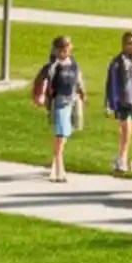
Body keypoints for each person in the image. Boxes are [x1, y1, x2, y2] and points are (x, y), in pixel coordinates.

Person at [36, 35, 85, 183]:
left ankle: (56, 165)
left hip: (72, 102)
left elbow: (78, 80)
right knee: (60, 136)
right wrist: (42, 96)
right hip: (60, 103)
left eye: (68, 48)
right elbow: (45, 81)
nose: (65, 51)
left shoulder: (73, 64)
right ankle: (58, 169)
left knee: (65, 136)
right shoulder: (53, 66)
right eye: (62, 49)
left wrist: (82, 93)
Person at [104, 31, 132, 175]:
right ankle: (122, 159)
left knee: (128, 132)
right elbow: (111, 83)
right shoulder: (119, 61)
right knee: (127, 130)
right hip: (123, 100)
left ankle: (121, 157)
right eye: (129, 43)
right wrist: (110, 103)